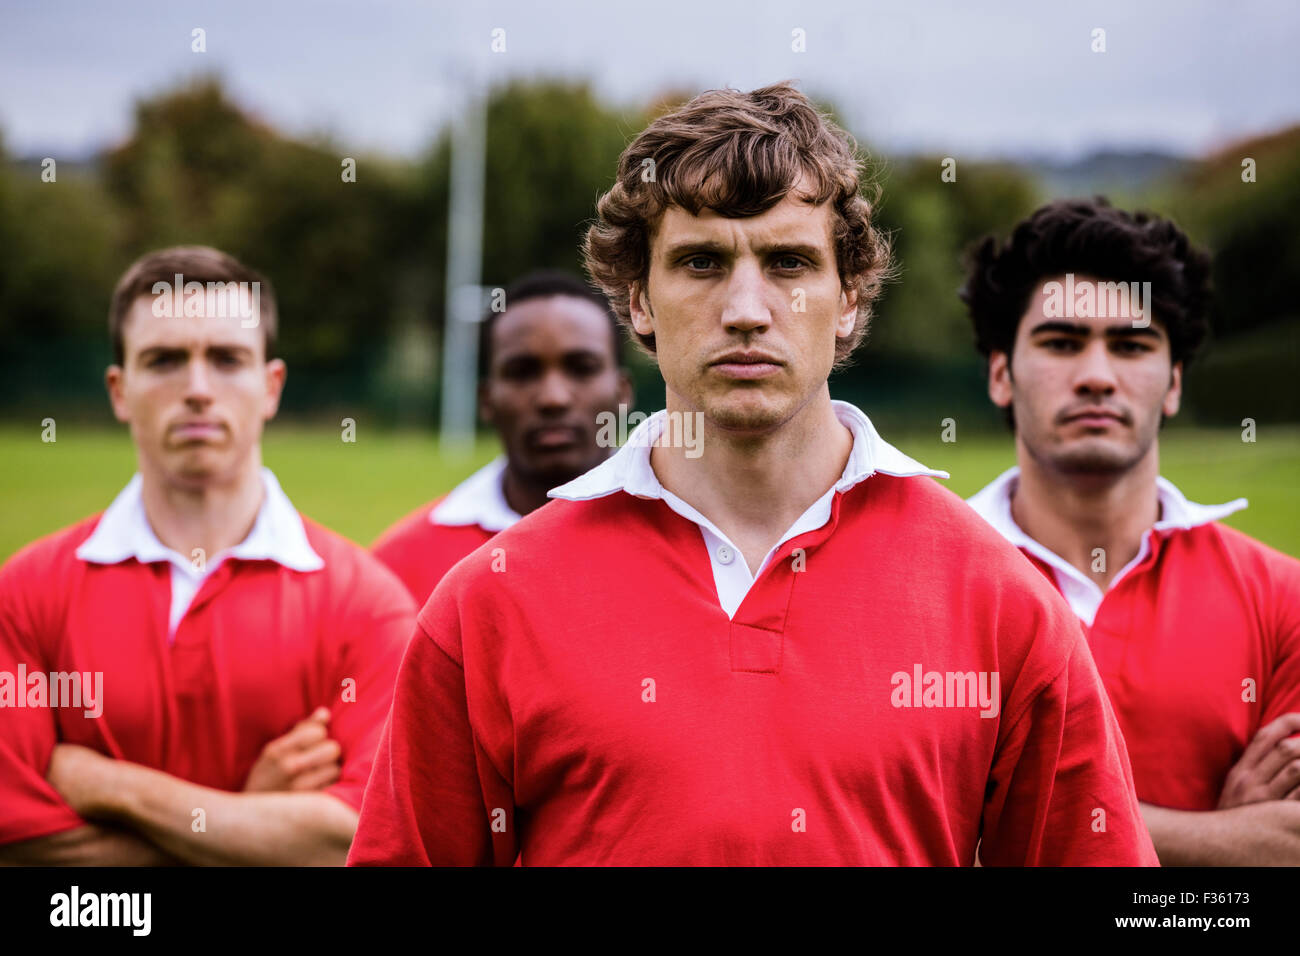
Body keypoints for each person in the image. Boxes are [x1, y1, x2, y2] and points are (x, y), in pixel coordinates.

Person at [348, 84, 1157, 866]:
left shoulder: (998, 599)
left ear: (848, 300)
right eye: (701, 262)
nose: (745, 307)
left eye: (788, 262)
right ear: (637, 302)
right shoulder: (490, 601)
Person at [0, 246, 415, 865]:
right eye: (164, 359)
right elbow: (17, 837)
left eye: (226, 358)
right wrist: (249, 826)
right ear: (119, 390)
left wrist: (111, 787)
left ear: (271, 386)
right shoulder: (26, 591)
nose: (197, 389)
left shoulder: (368, 603)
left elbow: (358, 837)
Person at [961, 198, 1300, 865]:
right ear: (1002, 374)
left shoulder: (1282, 598)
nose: (1096, 376)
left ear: (1173, 383)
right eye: (1061, 342)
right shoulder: (921, 579)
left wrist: (1014, 825)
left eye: (1131, 345)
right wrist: (1216, 841)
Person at [372, 272, 632, 605]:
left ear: (622, 392)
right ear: (486, 399)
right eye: (522, 372)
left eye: (581, 367)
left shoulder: (691, 538)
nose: (553, 397)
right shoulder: (400, 568)